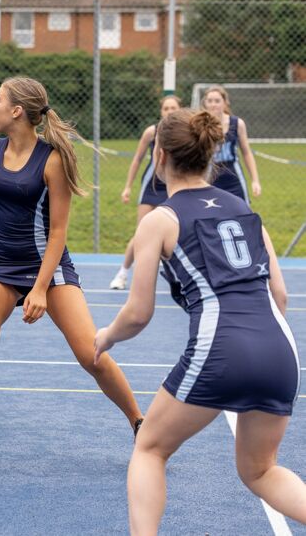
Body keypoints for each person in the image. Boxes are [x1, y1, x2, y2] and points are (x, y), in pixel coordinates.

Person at [94, 109, 304, 532]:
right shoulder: (246, 213)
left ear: (160, 157)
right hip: (280, 350)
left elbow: (138, 313)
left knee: (150, 449)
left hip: (221, 348)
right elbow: (279, 295)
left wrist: (106, 337)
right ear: (211, 157)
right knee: (261, 471)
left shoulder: (160, 219)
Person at [0, 76, 144, 475]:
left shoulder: (53, 158)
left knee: (92, 353)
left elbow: (58, 232)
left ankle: (141, 424)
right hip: (0, 265)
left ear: (17, 111)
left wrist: (40, 288)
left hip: (47, 268)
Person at [110, 95, 182, 290]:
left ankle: (178, 276)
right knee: (141, 231)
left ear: (180, 109)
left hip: (173, 185)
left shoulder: (184, 131)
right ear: (161, 111)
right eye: (166, 108)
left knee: (176, 233)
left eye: (173, 108)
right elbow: (137, 160)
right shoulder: (152, 131)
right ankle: (123, 273)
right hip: (151, 185)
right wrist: (127, 186)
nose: (169, 111)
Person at [201, 85, 261, 203]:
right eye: (210, 101)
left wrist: (255, 180)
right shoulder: (200, 125)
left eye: (217, 101)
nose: (213, 104)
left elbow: (247, 153)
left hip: (233, 176)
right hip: (209, 177)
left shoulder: (237, 123)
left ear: (225, 103)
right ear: (205, 103)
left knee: (243, 210)